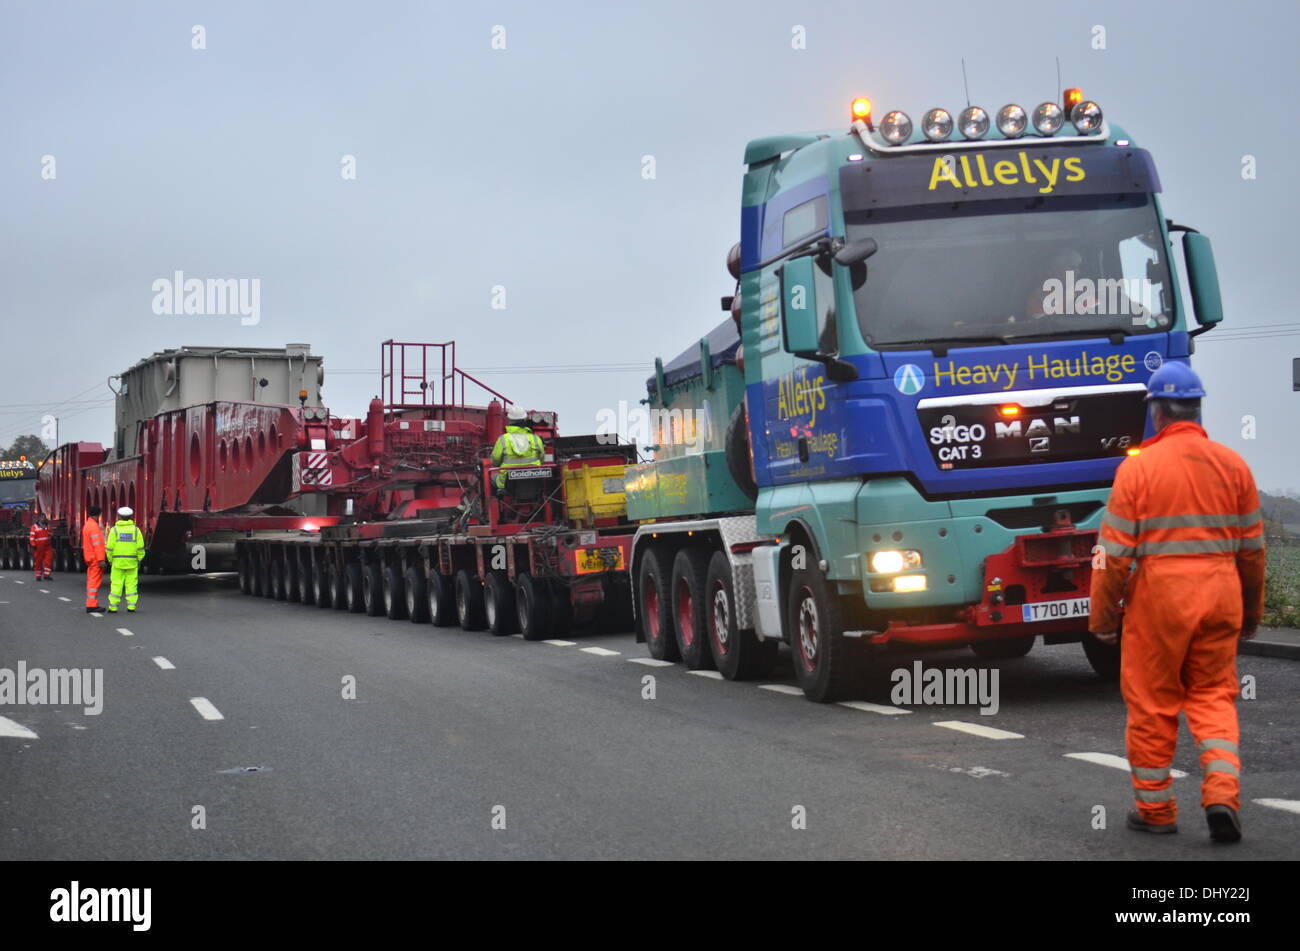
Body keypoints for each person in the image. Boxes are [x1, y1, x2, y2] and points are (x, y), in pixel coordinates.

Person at [1089, 362, 1265, 843]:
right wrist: (1251, 612)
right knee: (1213, 698)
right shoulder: (1234, 466)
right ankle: (1222, 795)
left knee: (1153, 703)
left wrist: (1103, 618)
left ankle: (1157, 810)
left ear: (1157, 411)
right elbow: (1252, 552)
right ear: (1198, 407)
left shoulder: (1138, 468)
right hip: (1221, 595)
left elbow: (1112, 556)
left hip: (1160, 602)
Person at [490, 407, 544, 492]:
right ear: (525, 419)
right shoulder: (536, 439)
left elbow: (495, 461)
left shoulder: (503, 439)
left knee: (491, 477)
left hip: (507, 483)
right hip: (535, 480)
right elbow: (542, 459)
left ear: (509, 420)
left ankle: (493, 503)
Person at [104, 506, 146, 613]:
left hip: (117, 563)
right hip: (132, 563)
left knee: (116, 584)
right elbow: (140, 547)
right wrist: (140, 559)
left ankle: (113, 607)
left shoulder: (114, 530)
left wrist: (110, 560)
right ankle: (131, 606)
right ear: (130, 517)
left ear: (120, 517)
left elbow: (110, 547)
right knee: (131, 584)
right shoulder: (136, 531)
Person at [83, 504, 106, 613]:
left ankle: (92, 604)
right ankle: (92, 605)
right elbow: (98, 545)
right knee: (94, 582)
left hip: (90, 558)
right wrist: (101, 559)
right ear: (99, 515)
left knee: (92, 581)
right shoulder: (94, 527)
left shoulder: (87, 525)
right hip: (95, 559)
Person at [28, 514, 53, 580]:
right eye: (42, 518)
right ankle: (38, 576)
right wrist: (33, 545)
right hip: (38, 547)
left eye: (44, 518)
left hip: (47, 546)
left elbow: (51, 534)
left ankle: (46, 575)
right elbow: (32, 537)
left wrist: (49, 531)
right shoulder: (34, 527)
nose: (43, 519)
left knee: (49, 560)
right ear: (39, 519)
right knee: (38, 561)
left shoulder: (47, 526)